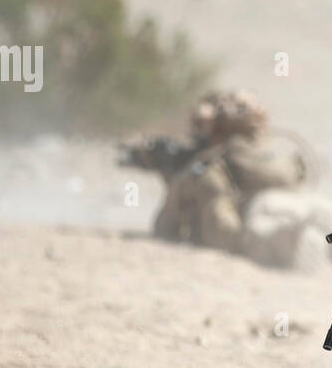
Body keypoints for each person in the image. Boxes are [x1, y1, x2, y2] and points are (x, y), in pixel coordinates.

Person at [123, 91, 309, 262]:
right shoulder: (273, 152)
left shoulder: (209, 167)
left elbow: (167, 227)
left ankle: (279, 239)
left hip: (241, 238)